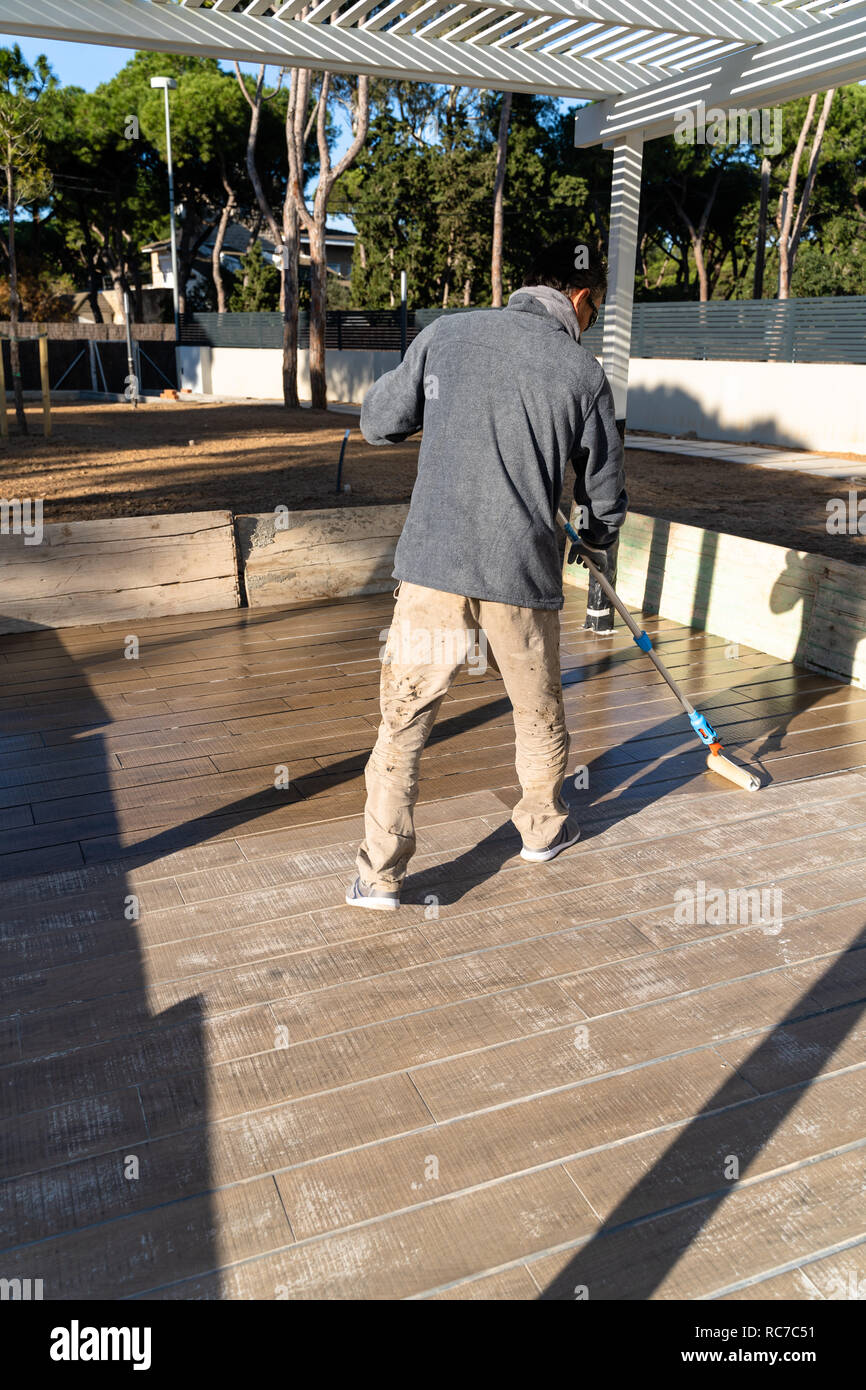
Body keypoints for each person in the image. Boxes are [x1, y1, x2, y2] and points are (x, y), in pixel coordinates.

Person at [345, 237, 628, 910]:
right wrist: (591, 535)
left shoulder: (446, 334)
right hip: (521, 572)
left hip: (433, 568)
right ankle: (541, 832)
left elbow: (379, 423)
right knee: (536, 712)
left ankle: (379, 876)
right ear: (579, 298)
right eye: (595, 308)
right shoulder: (582, 373)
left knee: (405, 719)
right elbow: (605, 498)